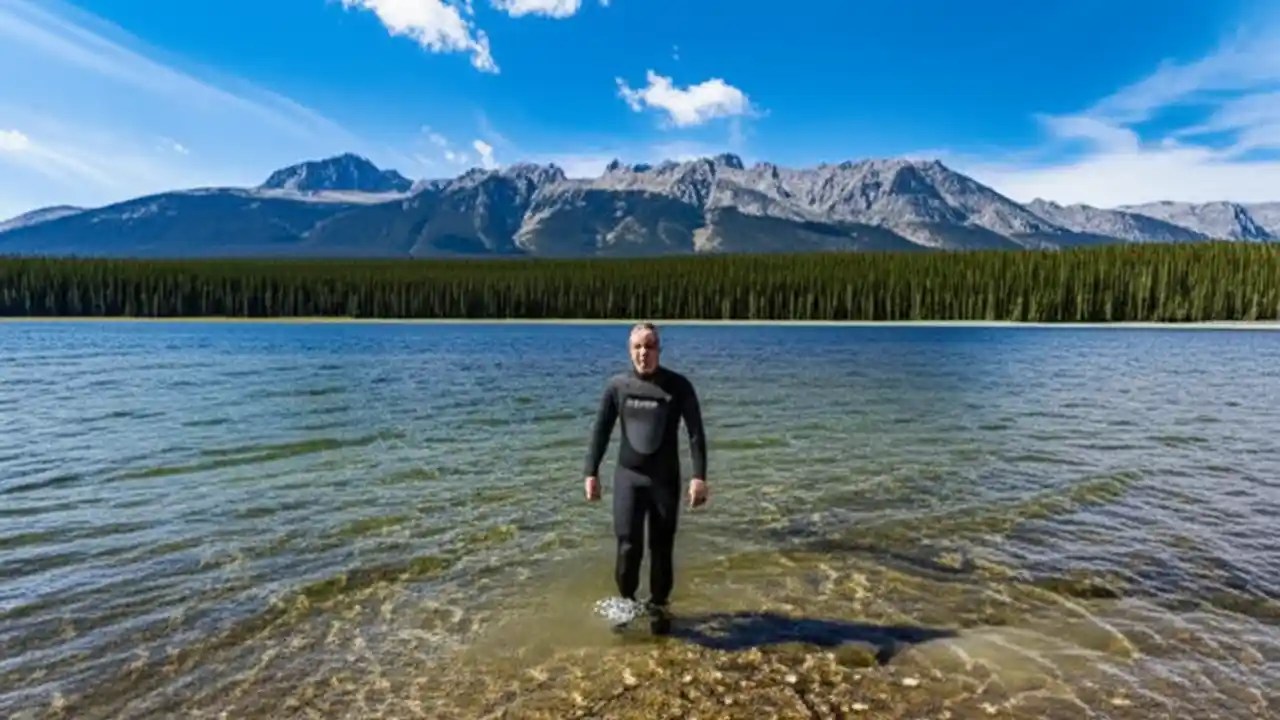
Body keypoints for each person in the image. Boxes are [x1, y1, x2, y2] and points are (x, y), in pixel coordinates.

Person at [583, 321, 708, 631]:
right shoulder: (617, 387)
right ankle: (624, 606)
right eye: (638, 347)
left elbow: (695, 433)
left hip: (664, 480)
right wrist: (591, 472)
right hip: (629, 478)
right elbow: (600, 431)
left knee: (662, 548)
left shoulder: (678, 386)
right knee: (628, 546)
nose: (643, 353)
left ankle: (658, 610)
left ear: (659, 350)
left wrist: (699, 476)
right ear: (630, 351)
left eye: (649, 346)